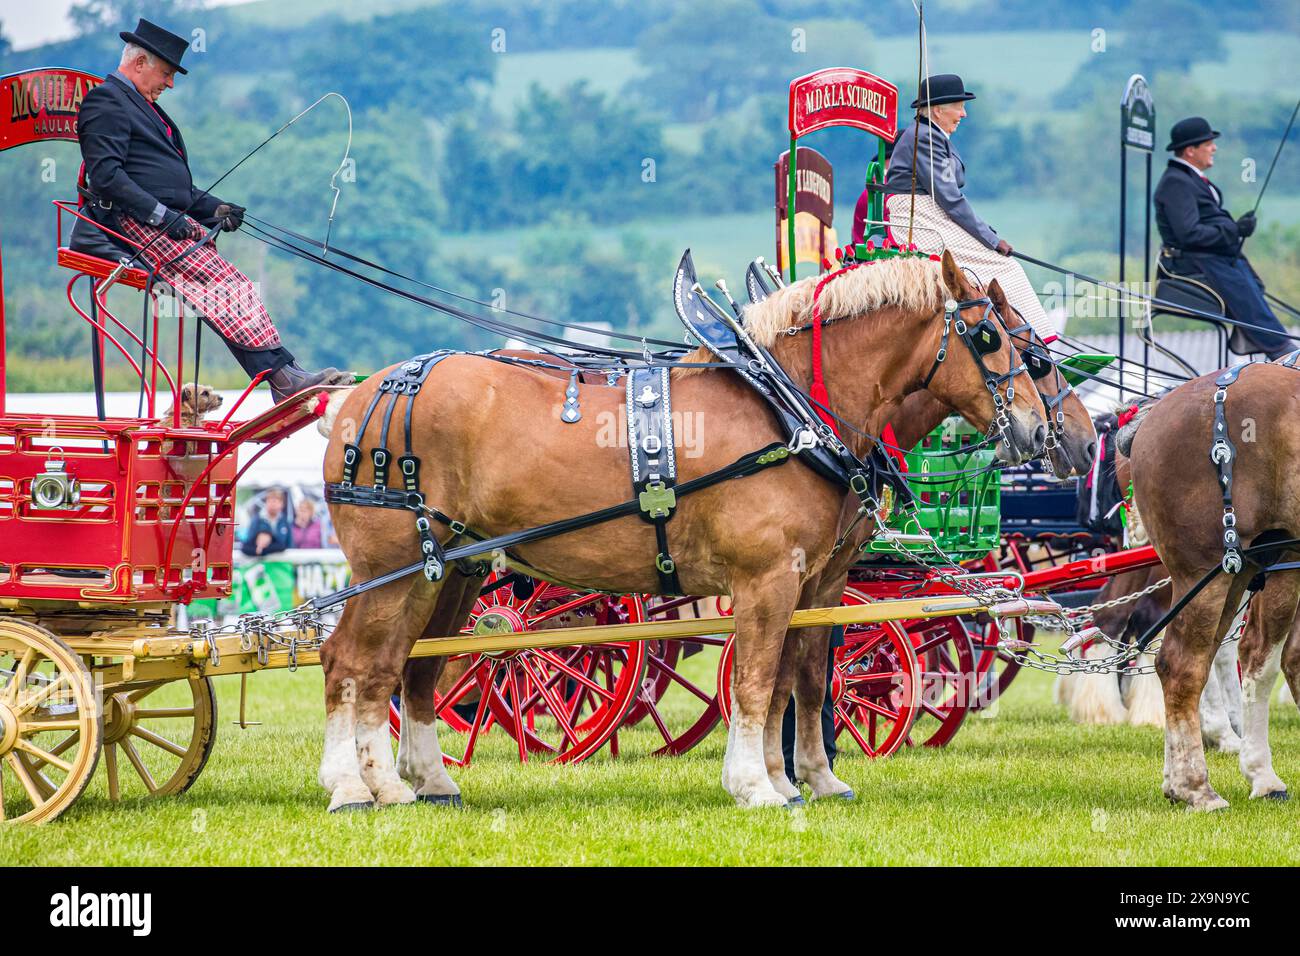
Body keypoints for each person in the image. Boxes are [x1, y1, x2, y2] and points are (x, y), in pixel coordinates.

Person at [72, 19, 355, 402]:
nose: (170, 84)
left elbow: (175, 187)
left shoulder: (144, 107)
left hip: (167, 222)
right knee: (232, 289)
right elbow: (106, 176)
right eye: (167, 73)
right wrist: (160, 215)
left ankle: (285, 375)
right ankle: (283, 379)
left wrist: (215, 207)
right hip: (133, 225)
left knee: (232, 291)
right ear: (139, 63)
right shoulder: (106, 101)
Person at [882, 74, 1057, 342]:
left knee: (1001, 264)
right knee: (1006, 268)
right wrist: (991, 239)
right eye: (958, 107)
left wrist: (990, 236)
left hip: (933, 213)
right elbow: (951, 198)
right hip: (921, 219)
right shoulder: (925, 138)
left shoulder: (931, 135)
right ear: (939, 110)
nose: (963, 114)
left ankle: (1021, 338)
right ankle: (1034, 343)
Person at [1154, 116, 1291, 359]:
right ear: (1190, 151)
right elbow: (1189, 234)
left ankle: (1272, 342)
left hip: (1212, 256)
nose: (1214, 148)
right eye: (1208, 144)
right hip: (1191, 261)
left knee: (1252, 286)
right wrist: (1233, 230)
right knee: (1242, 290)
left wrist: (1236, 228)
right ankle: (1281, 349)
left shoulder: (1189, 179)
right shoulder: (1176, 183)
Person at [242, 486, 292, 557]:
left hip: (282, 564)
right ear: (266, 502)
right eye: (271, 501)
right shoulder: (257, 520)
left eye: (276, 501)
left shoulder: (285, 521)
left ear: (282, 504)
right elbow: (249, 542)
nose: (273, 504)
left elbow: (289, 544)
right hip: (260, 563)